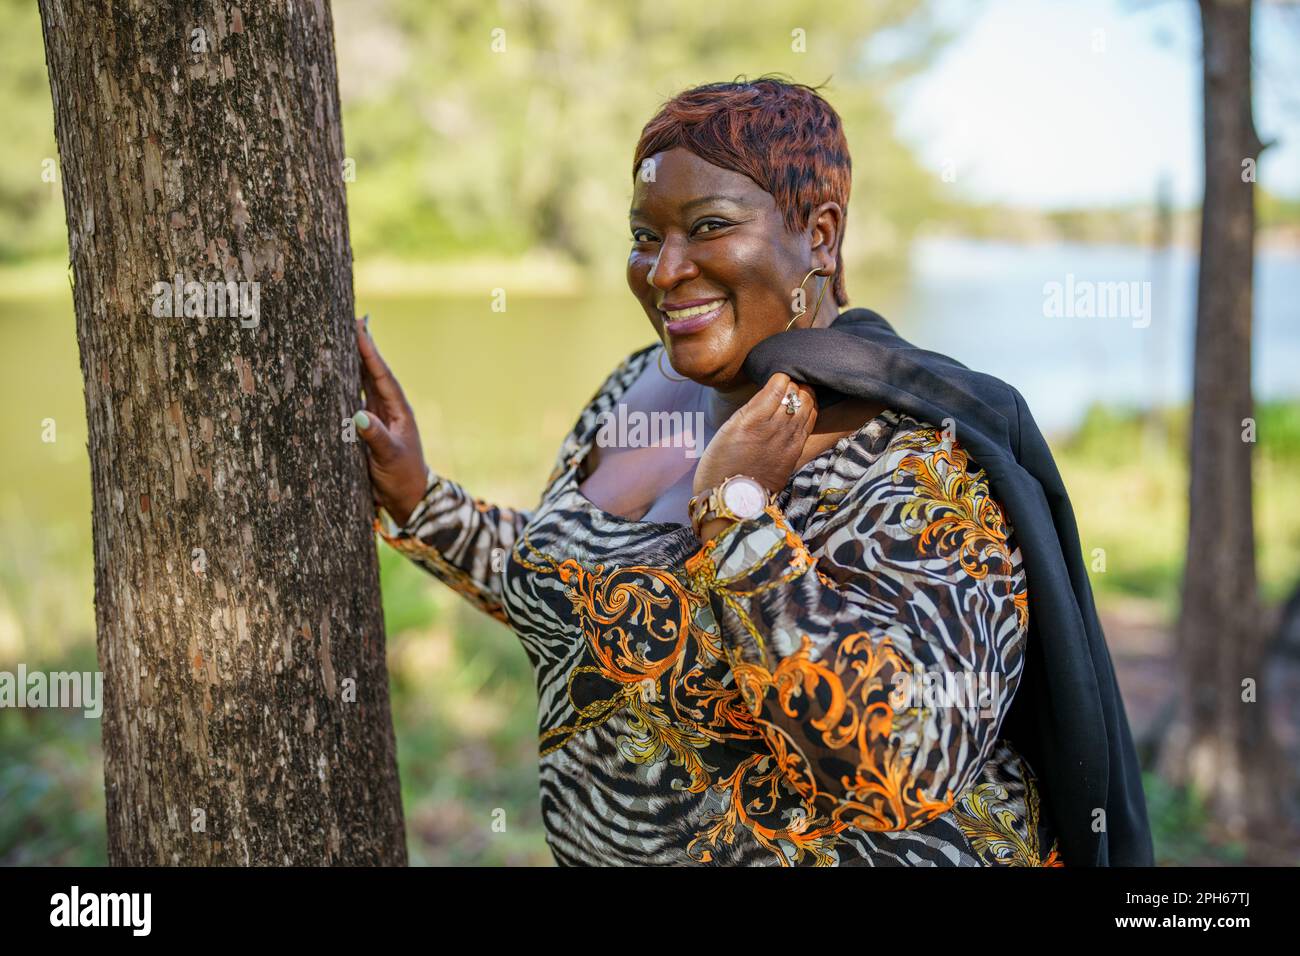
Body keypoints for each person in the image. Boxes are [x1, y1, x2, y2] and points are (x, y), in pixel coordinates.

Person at [351, 77, 1150, 866]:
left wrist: (738, 518)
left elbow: (910, 760)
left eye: (708, 227)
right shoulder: (640, 387)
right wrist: (423, 502)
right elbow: (588, 594)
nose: (664, 271)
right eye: (644, 236)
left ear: (822, 236)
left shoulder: (919, 455)